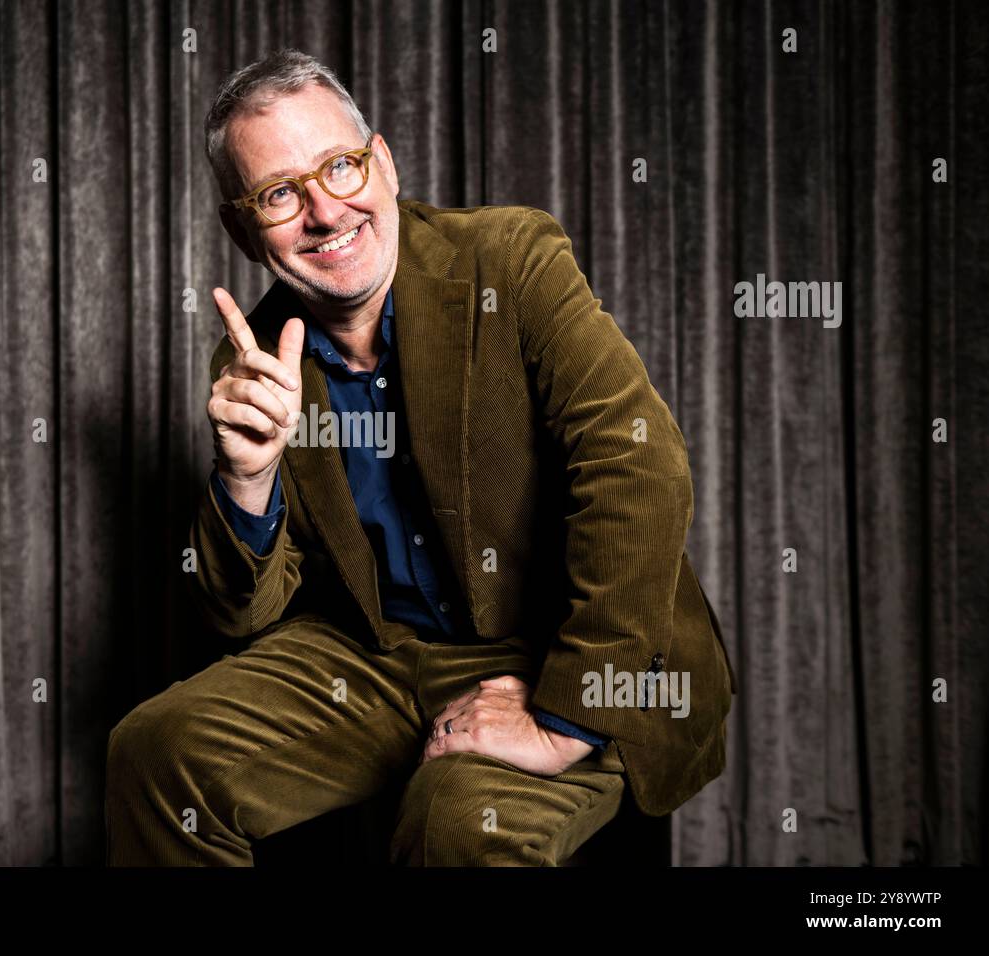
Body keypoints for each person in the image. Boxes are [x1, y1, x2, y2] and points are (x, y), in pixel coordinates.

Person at [105, 48, 736, 866]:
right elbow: (242, 616)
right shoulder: (252, 364)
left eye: (340, 166)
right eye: (280, 193)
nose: (326, 212)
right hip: (380, 657)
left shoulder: (511, 260)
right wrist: (246, 477)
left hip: (567, 643)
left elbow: (636, 462)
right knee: (155, 752)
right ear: (242, 226)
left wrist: (564, 715)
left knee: (457, 821)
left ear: (386, 165)